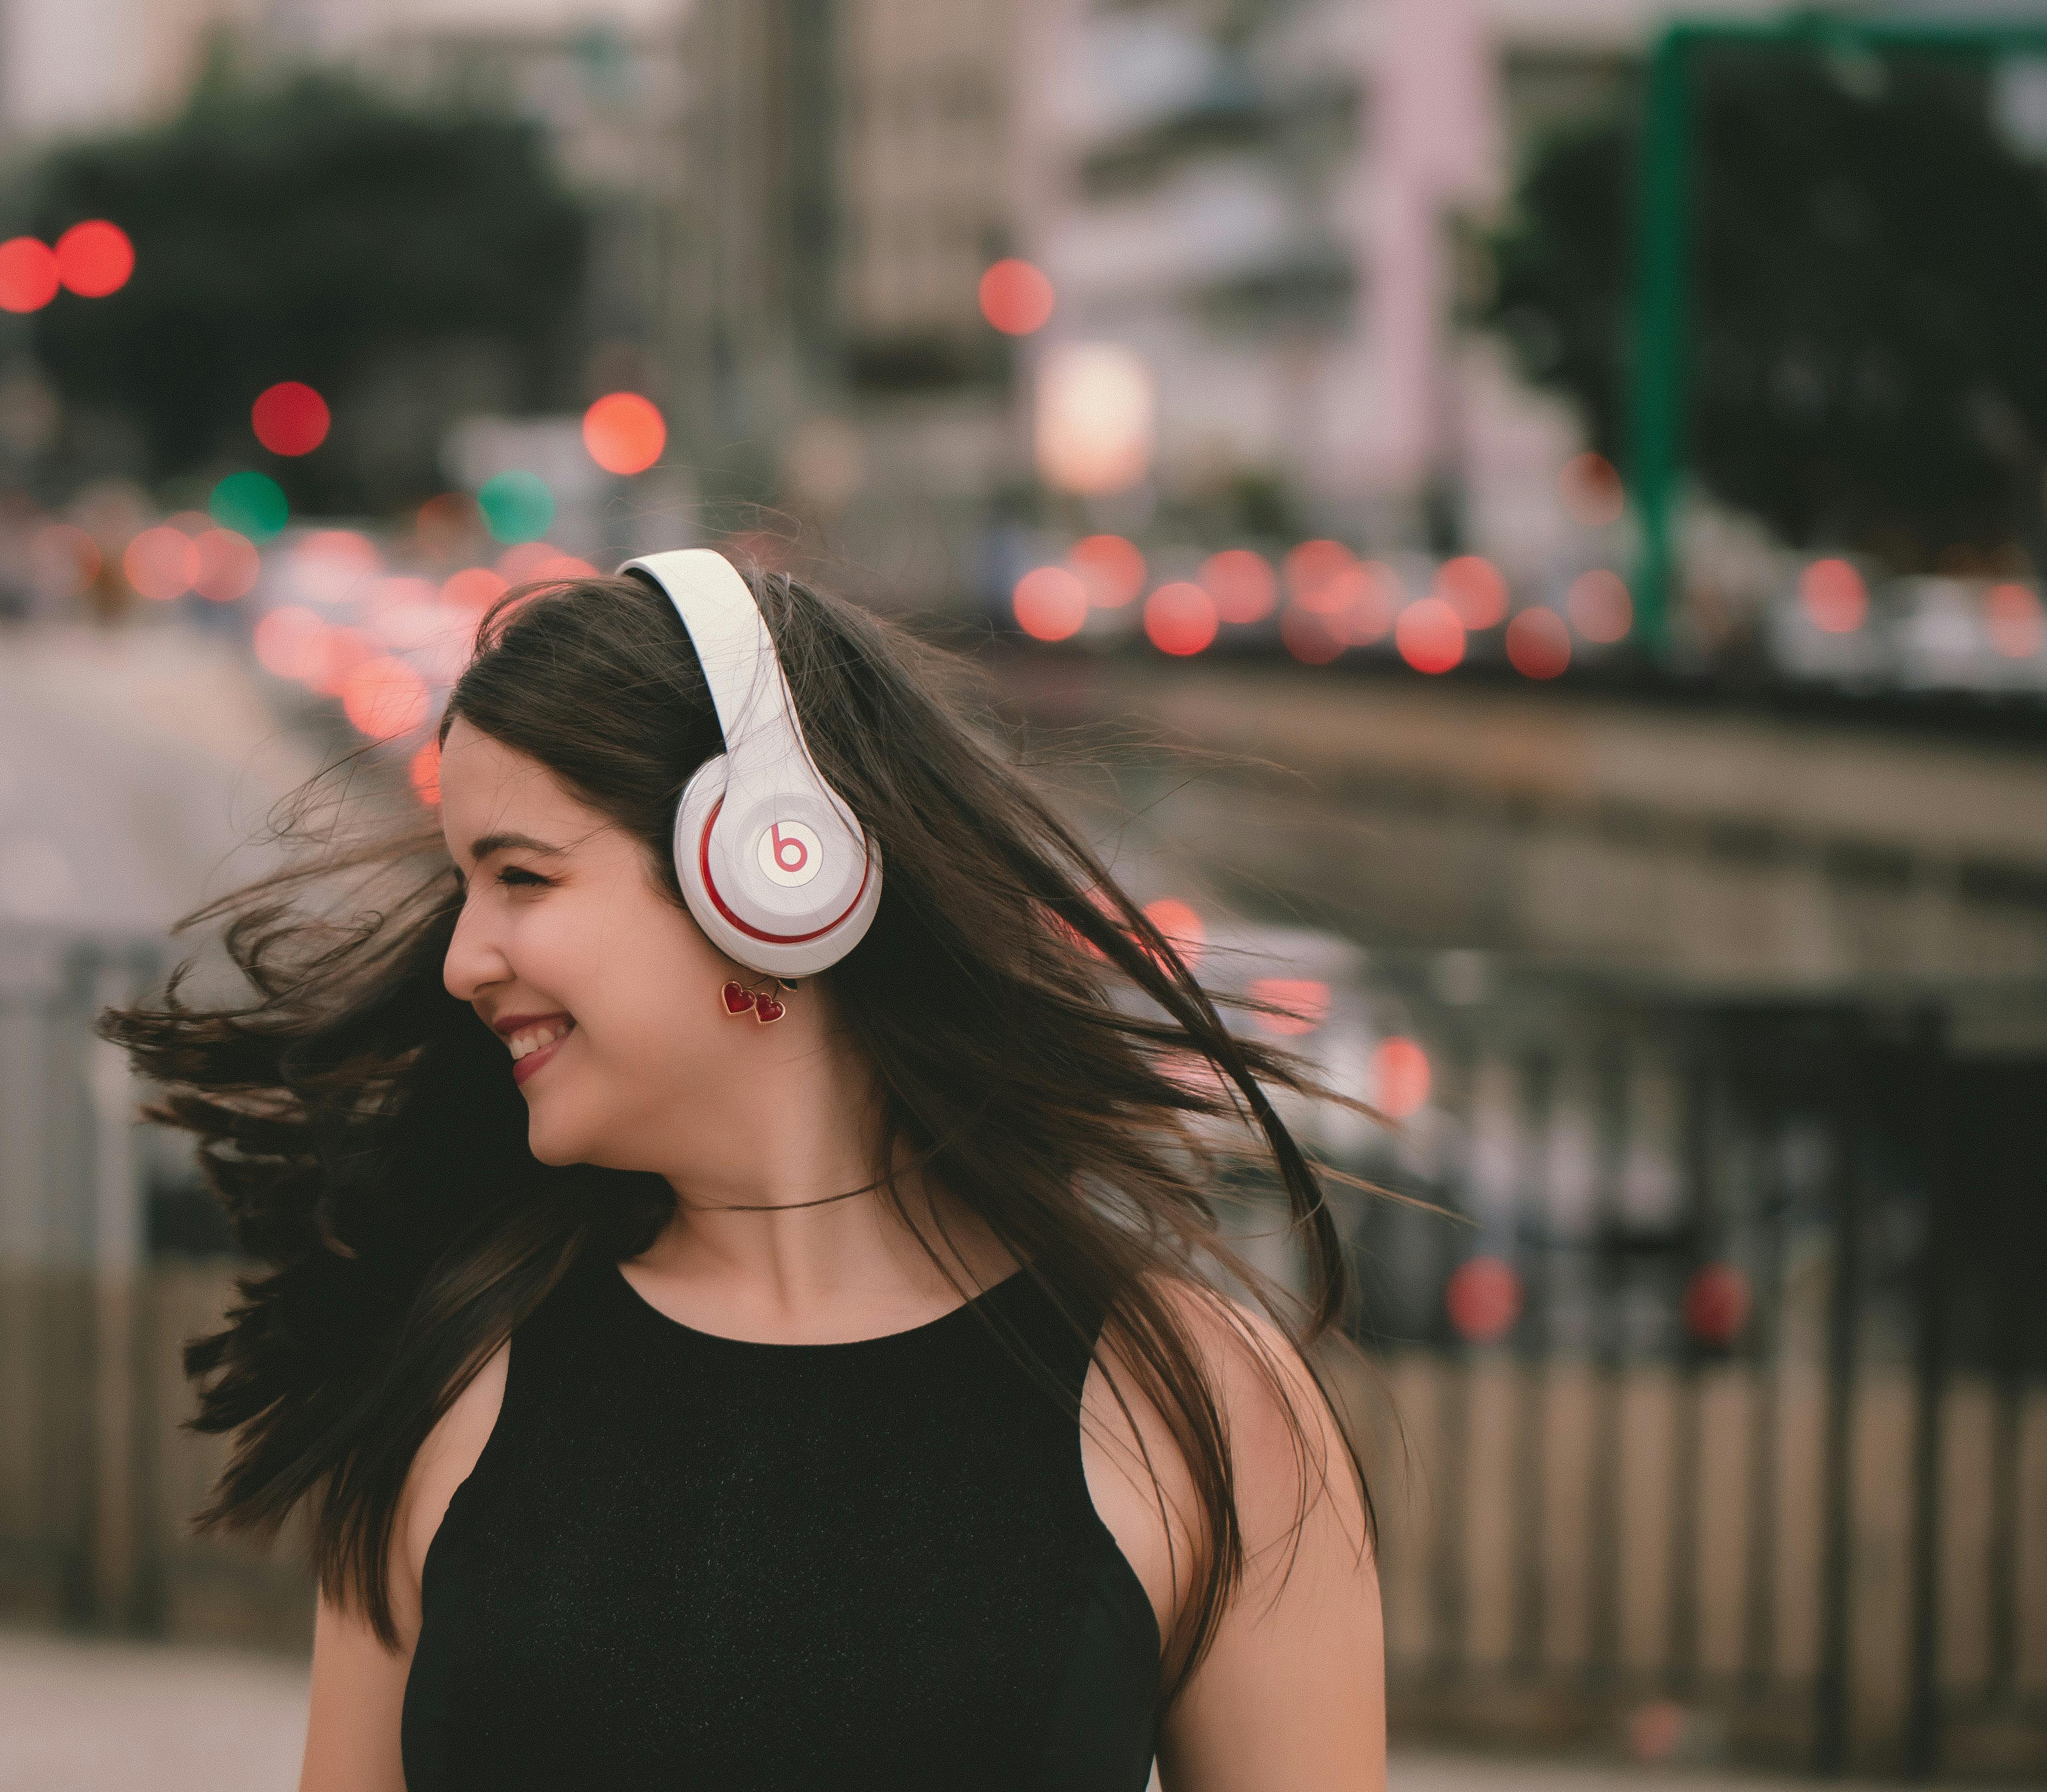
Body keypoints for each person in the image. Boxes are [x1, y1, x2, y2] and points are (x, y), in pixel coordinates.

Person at [103, 550, 1386, 1790]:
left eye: (522, 877)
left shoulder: (1201, 1404)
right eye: (463, 888)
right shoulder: (444, 1372)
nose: (463, 958)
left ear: (775, 871)